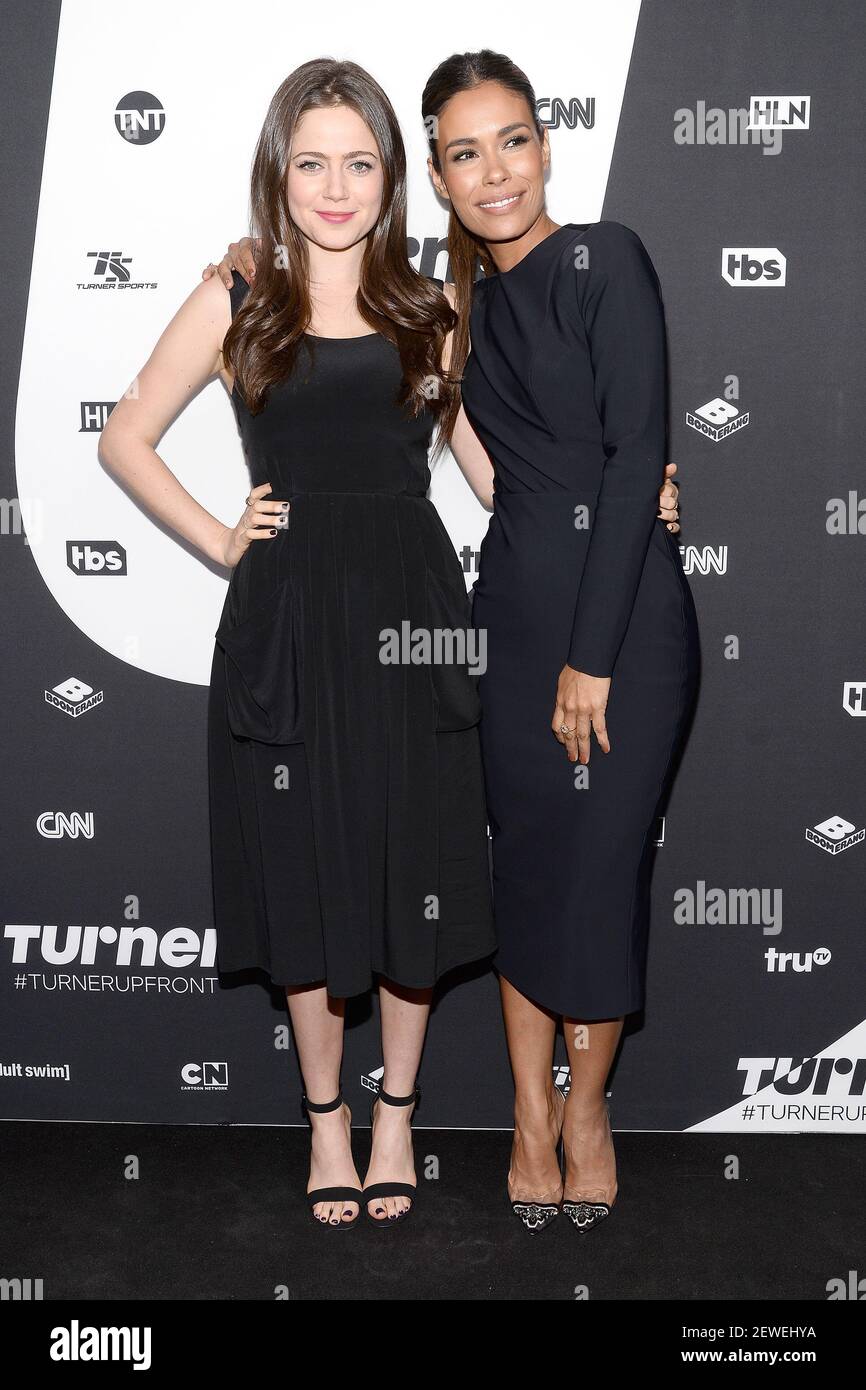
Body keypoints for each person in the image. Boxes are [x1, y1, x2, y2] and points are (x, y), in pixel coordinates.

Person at [204, 59, 685, 1238]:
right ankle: (440, 1117)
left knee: (537, 870)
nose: (492, 171)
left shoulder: (526, 283)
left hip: (520, 627)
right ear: (436, 174)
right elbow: (485, 467)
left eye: (510, 142)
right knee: (436, 872)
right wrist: (224, 535)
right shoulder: (359, 300)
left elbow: (566, 456)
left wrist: (632, 506)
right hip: (399, 624)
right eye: (464, 152)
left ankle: (536, 1112)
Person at [99, 57, 501, 1231]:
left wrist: (622, 495)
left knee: (412, 871)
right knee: (306, 872)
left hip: (412, 615)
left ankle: (395, 1115)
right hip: (287, 620)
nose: (335, 188)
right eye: (312, 162)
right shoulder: (241, 295)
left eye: (359, 163)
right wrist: (221, 539)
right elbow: (126, 435)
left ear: (392, 177)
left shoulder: (432, 310)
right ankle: (325, 1119)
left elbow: (491, 476)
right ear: (280, 171)